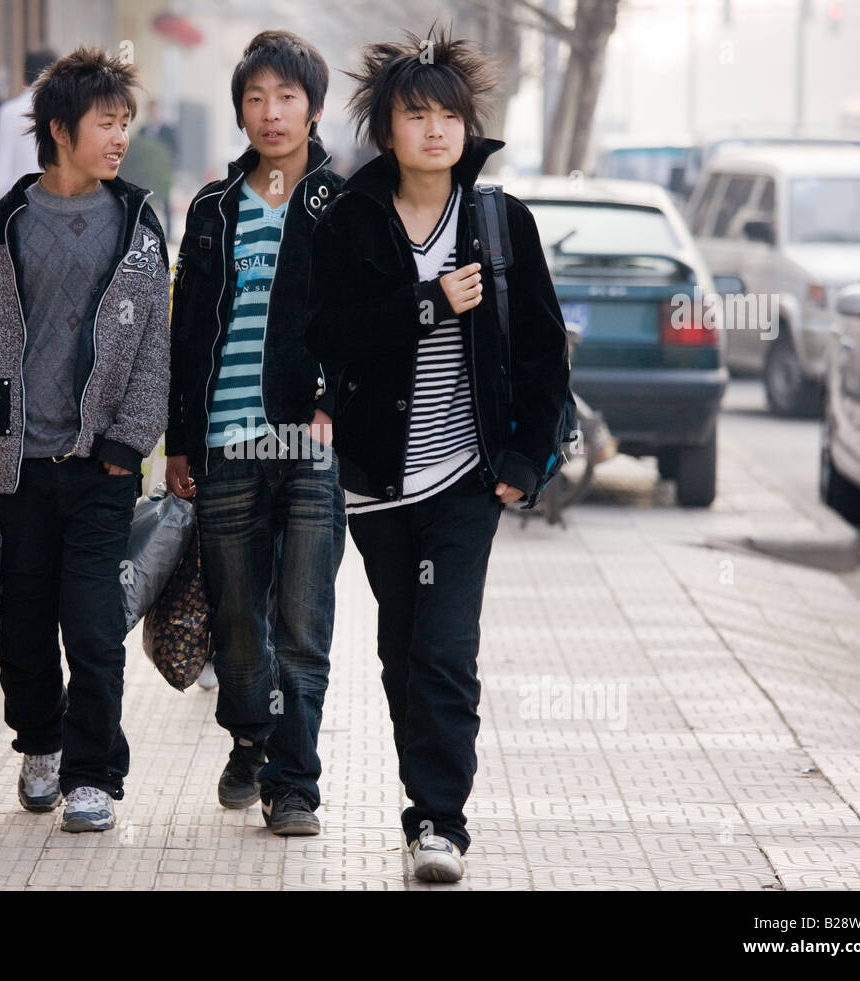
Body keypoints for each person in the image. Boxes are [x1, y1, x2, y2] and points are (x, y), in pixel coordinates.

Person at [307, 28, 570, 881]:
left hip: (464, 477)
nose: (434, 131)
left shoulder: (499, 223)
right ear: (386, 129)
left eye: (448, 116)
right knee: (401, 648)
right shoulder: (352, 219)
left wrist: (527, 461)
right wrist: (425, 305)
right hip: (380, 483)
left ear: (467, 128)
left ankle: (443, 824)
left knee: (447, 647)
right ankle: (421, 801)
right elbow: (328, 335)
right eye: (415, 115)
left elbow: (542, 353)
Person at [0, 46, 170, 831]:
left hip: (101, 465)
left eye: (125, 123)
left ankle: (92, 772)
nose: (119, 137)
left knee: (96, 626)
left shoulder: (139, 223)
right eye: (106, 122)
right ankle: (39, 742)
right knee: (27, 623)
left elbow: (152, 350)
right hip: (22, 470)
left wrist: (127, 443)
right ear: (60, 130)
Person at [166, 30, 346, 835]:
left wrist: (335, 402)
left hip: (306, 444)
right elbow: (184, 336)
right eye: (255, 98)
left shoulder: (346, 202)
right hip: (225, 443)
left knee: (303, 624)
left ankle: (293, 784)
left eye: (286, 97)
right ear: (240, 107)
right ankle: (250, 736)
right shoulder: (212, 208)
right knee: (239, 625)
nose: (271, 114)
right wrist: (177, 442)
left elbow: (368, 323)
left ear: (313, 106)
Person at [0, 49, 58, 207]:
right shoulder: (67, 112)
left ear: (23, 75)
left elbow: (0, 174)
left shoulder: (9, 112)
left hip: (18, 204)